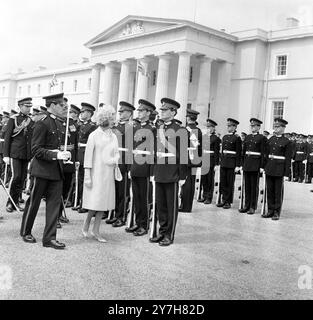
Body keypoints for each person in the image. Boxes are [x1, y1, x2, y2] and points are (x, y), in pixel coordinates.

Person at [20, 93, 71, 249]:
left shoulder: (61, 123)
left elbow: (58, 146)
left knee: (54, 206)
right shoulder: (42, 122)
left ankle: (49, 238)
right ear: (53, 105)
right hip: (41, 170)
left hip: (56, 171)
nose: (65, 108)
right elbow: (36, 149)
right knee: (34, 202)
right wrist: (55, 154)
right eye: (62, 105)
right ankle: (26, 231)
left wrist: (64, 154)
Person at [149, 98, 188, 246]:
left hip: (172, 171)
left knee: (171, 206)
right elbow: (154, 152)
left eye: (165, 110)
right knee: (161, 204)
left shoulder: (180, 130)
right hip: (159, 169)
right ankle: (162, 231)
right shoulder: (158, 129)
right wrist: (153, 172)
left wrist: (182, 176)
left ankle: (169, 235)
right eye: (161, 109)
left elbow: (183, 155)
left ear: (173, 112)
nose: (161, 112)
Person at [82, 106, 119, 242]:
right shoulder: (94, 135)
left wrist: (115, 159)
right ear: (105, 119)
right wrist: (87, 176)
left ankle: (96, 230)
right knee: (94, 202)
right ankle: (86, 226)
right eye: (111, 118)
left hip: (107, 173)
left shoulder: (113, 135)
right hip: (96, 173)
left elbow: (116, 152)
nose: (114, 121)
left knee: (103, 203)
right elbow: (88, 157)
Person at [127, 99, 156, 236]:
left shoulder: (152, 129)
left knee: (144, 198)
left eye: (141, 110)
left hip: (145, 167)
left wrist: (151, 172)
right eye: (138, 110)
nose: (138, 112)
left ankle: (144, 225)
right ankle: (138, 223)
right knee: (137, 197)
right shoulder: (137, 128)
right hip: (135, 166)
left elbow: (153, 151)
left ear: (148, 112)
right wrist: (130, 168)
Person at [3, 97, 34, 212]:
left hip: (26, 154)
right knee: (15, 177)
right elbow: (7, 138)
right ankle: (10, 203)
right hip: (15, 153)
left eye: (29, 106)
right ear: (20, 106)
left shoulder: (31, 120)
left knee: (21, 179)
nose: (28, 108)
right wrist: (6, 155)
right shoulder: (13, 119)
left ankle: (16, 201)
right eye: (26, 106)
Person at [107, 101, 134, 227]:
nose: (121, 114)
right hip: (114, 161)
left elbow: (130, 149)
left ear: (129, 113)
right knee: (115, 190)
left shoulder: (131, 127)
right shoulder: (116, 127)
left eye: (123, 112)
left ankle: (121, 216)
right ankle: (114, 214)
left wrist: (129, 168)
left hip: (123, 163)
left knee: (123, 192)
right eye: (120, 112)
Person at [262, 117, 292, 220]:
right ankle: (270, 210)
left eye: (277, 126)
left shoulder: (287, 142)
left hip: (279, 169)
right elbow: (266, 155)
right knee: (269, 191)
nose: (275, 128)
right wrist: (264, 167)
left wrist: (287, 174)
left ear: (283, 128)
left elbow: (288, 159)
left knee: (277, 192)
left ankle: (276, 212)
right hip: (270, 168)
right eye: (274, 126)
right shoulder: (271, 139)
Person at [72, 102, 97, 213]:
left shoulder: (93, 126)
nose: (81, 113)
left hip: (87, 154)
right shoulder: (79, 125)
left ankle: (86, 204)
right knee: (80, 180)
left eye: (83, 112)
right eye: (81, 112)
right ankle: (80, 202)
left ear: (89, 113)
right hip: (80, 154)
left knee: (87, 181)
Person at [239, 118, 267, 214]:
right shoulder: (247, 137)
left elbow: (263, 153)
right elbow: (243, 153)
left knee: (254, 186)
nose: (252, 127)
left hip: (255, 165)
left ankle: (252, 206)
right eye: (251, 126)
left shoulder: (262, 138)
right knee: (247, 186)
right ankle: (246, 205)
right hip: (247, 163)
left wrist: (262, 166)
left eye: (254, 126)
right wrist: (242, 164)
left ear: (258, 127)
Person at [179, 109, 202, 212]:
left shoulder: (185, 130)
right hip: (195, 158)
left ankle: (185, 206)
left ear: (188, 118)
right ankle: (188, 206)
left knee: (186, 182)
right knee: (191, 182)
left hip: (186, 158)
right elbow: (200, 148)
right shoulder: (199, 130)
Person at [216, 118, 242, 209]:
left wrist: (238, 165)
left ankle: (228, 201)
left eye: (230, 126)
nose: (228, 127)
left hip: (231, 162)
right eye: (228, 125)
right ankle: (223, 199)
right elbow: (222, 151)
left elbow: (239, 152)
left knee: (229, 182)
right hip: (224, 162)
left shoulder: (237, 138)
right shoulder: (225, 137)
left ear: (235, 127)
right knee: (223, 182)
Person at [198, 118, 220, 204]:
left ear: (213, 128)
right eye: (207, 127)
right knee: (204, 179)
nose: (208, 129)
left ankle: (209, 197)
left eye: (209, 127)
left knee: (210, 179)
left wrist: (216, 164)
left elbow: (217, 152)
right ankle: (204, 195)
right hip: (204, 159)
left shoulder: (216, 138)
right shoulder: (204, 137)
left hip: (211, 160)